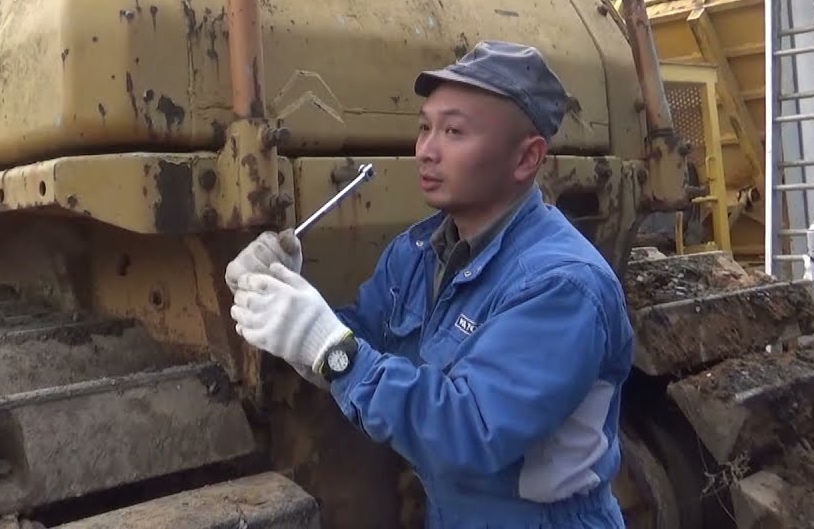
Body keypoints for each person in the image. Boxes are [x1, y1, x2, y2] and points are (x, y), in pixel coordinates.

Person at [224, 41, 635, 528]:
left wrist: (333, 351)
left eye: (454, 131)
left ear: (527, 158)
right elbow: (360, 341)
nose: (425, 150)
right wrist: (285, 295)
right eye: (424, 127)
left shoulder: (562, 286)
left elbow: (472, 431)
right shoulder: (418, 253)